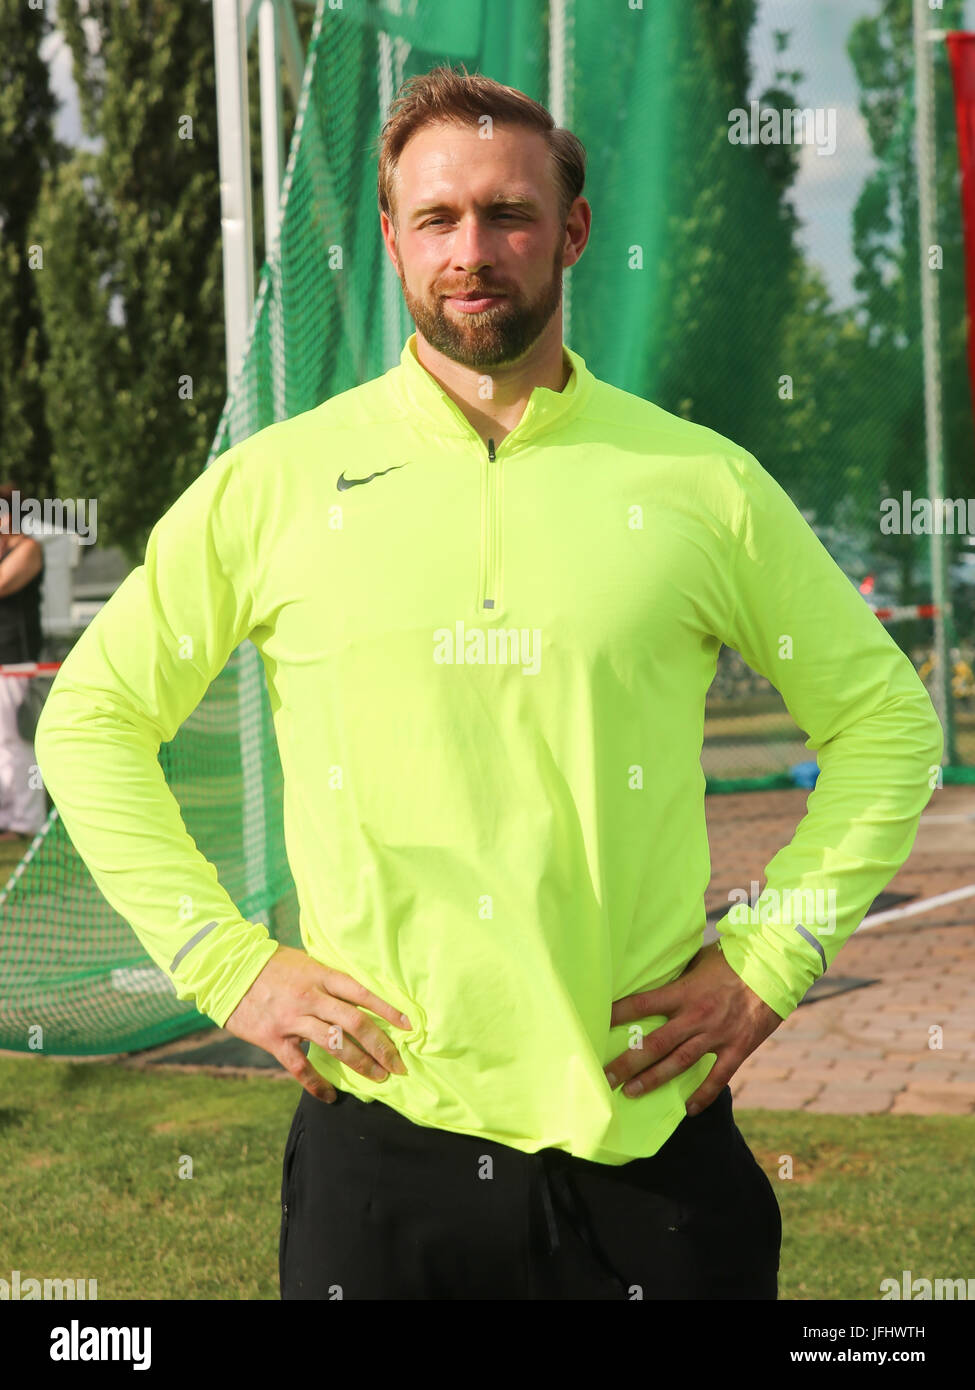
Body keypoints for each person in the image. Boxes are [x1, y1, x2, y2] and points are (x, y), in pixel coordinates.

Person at [34, 65, 944, 1301]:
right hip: (383, 1154)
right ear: (395, 240)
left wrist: (772, 958)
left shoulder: (701, 485)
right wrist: (228, 965)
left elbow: (889, 723)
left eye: (510, 215)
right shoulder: (276, 485)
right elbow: (89, 719)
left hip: (650, 1144)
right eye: (439, 218)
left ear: (570, 231)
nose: (476, 250)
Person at [0, 482, 47, 841]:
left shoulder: (29, 549)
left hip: (18, 662)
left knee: (19, 742)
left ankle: (26, 822)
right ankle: (7, 817)